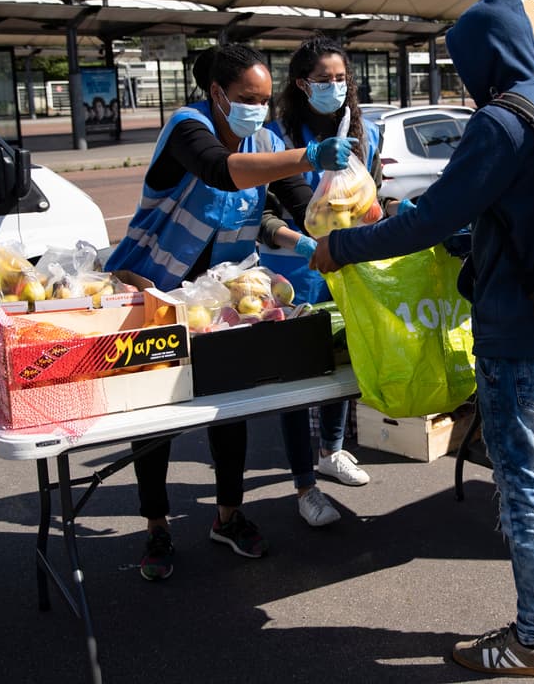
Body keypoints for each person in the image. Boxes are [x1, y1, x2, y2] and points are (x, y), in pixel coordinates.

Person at [310, 0, 534, 676]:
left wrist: (344, 247)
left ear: (483, 56)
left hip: (516, 334)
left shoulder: (500, 123)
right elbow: (521, 210)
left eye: (463, 60)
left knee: (527, 485)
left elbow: (426, 222)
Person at [105, 44, 357, 581]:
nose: (258, 110)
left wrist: (338, 227)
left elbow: (290, 205)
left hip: (221, 303)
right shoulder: (187, 128)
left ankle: (227, 516)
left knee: (228, 408)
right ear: (217, 94)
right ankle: (156, 526)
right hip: (151, 293)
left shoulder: (266, 140)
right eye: (247, 99)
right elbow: (222, 173)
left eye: (265, 100)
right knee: (153, 421)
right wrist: (310, 156)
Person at [262, 34, 384, 490]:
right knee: (295, 384)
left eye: (340, 78)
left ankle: (332, 452)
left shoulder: (360, 135)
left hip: (347, 273)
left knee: (340, 370)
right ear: (301, 84)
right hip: (292, 277)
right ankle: (303, 486)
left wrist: (387, 216)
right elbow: (263, 214)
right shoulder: (273, 139)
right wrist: (303, 244)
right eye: (322, 79)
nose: (334, 86)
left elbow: (365, 199)